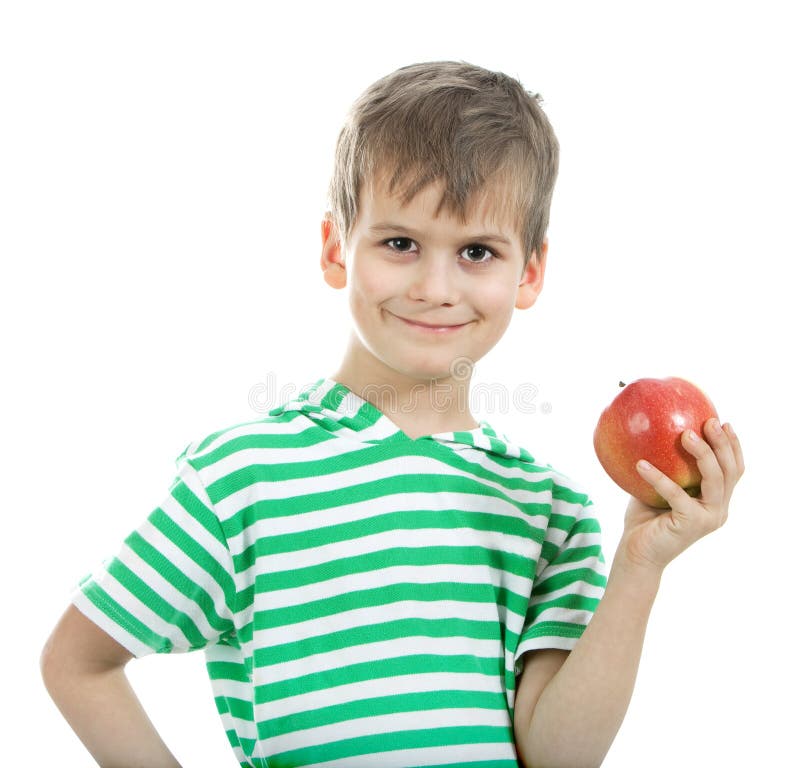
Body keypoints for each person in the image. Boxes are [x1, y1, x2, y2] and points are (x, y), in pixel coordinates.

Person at [41, 61, 744, 768]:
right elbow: (77, 661)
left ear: (528, 272)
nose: (435, 288)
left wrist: (639, 567)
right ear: (335, 248)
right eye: (400, 243)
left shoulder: (550, 512)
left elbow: (559, 756)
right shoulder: (242, 478)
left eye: (476, 251)